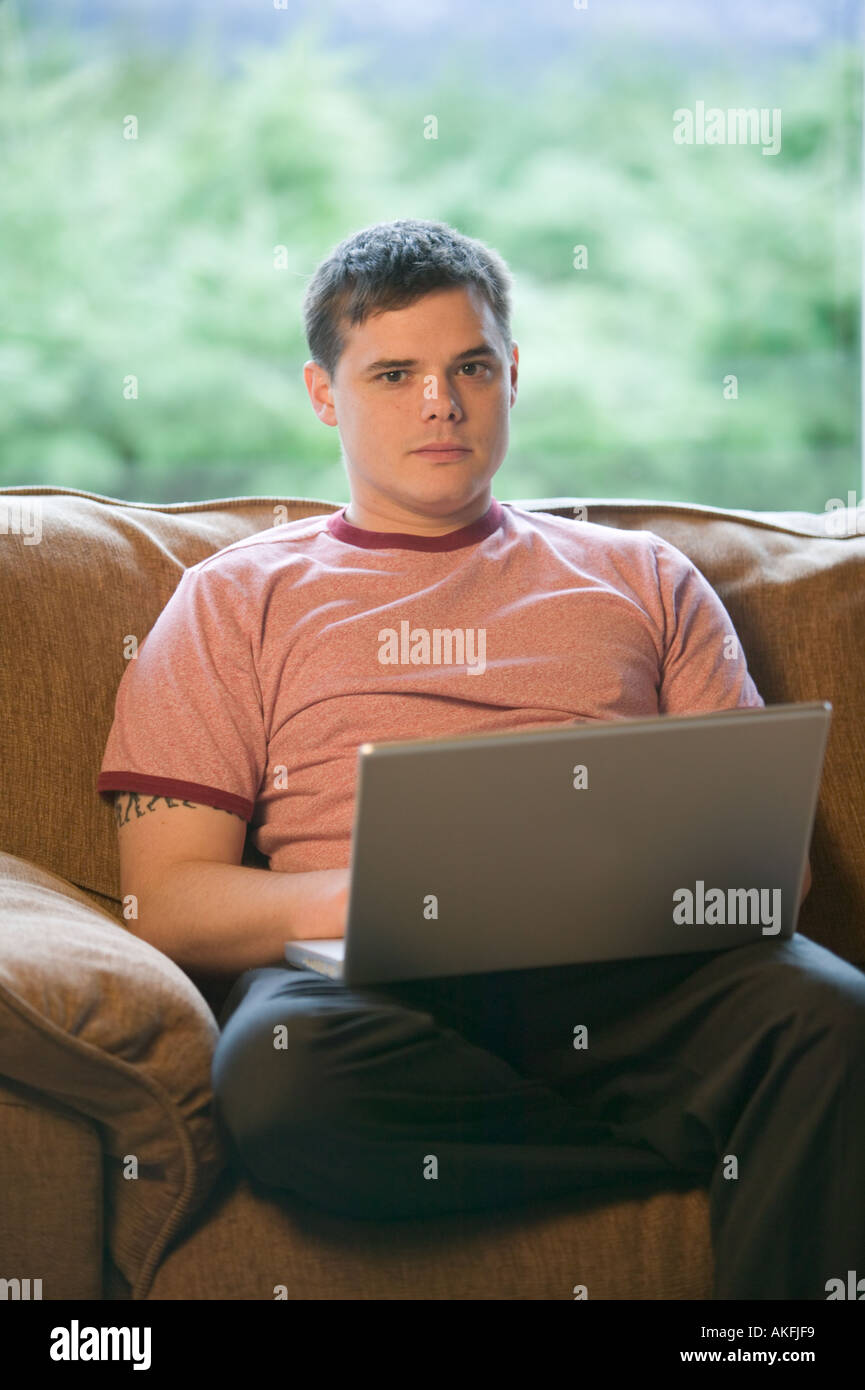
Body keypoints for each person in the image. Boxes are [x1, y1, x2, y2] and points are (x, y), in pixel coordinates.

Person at [98, 218, 864, 1302]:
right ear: (324, 394)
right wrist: (384, 893)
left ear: (512, 374)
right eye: (394, 372)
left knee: (831, 1024)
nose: (440, 404)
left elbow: (766, 873)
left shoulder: (644, 575)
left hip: (642, 982)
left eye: (470, 367)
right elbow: (166, 900)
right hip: (375, 997)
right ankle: (708, 1140)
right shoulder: (233, 599)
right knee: (279, 1083)